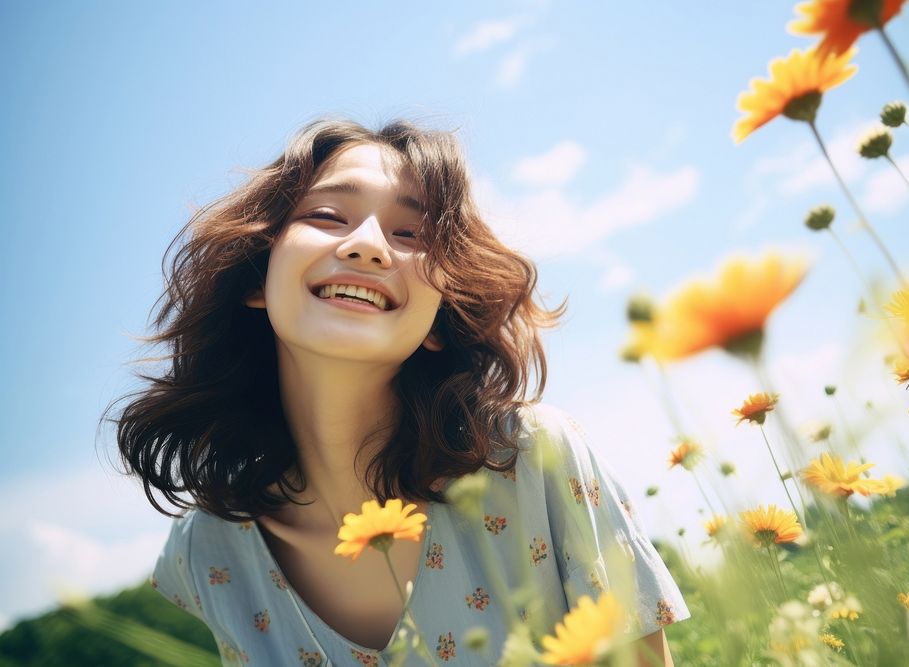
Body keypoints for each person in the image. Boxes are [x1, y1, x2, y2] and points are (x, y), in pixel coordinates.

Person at [110, 118, 690, 665]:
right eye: (329, 215)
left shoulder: (532, 458)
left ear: (440, 320)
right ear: (256, 276)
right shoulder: (208, 550)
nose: (367, 245)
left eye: (410, 233)